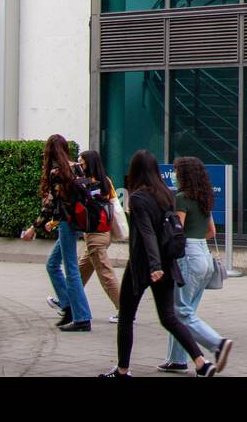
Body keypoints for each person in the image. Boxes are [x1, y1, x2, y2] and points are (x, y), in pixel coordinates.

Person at [100, 150, 214, 378]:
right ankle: (202, 362)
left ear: (135, 171)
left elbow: (147, 233)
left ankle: (122, 370)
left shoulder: (139, 198)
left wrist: (153, 266)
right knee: (169, 317)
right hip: (168, 262)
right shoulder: (166, 195)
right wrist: (161, 264)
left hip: (142, 265)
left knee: (126, 317)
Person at [157, 156, 234, 374]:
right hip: (204, 255)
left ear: (183, 175)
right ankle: (177, 359)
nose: (174, 175)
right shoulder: (204, 198)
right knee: (186, 311)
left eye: (176, 171)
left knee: (178, 311)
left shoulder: (181, 198)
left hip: (188, 255)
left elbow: (177, 230)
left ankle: (217, 344)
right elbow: (212, 231)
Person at [19, 134, 92, 332]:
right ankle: (69, 306)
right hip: (77, 222)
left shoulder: (57, 172)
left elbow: (50, 204)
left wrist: (34, 228)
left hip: (66, 224)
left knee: (71, 270)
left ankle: (82, 316)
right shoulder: (77, 167)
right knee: (53, 264)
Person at [77, 150, 121, 325]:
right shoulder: (106, 181)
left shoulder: (87, 183)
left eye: (82, 163)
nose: (79, 166)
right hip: (104, 232)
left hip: (96, 234)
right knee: (82, 268)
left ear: (90, 164)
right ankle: (67, 300)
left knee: (105, 273)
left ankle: (124, 310)